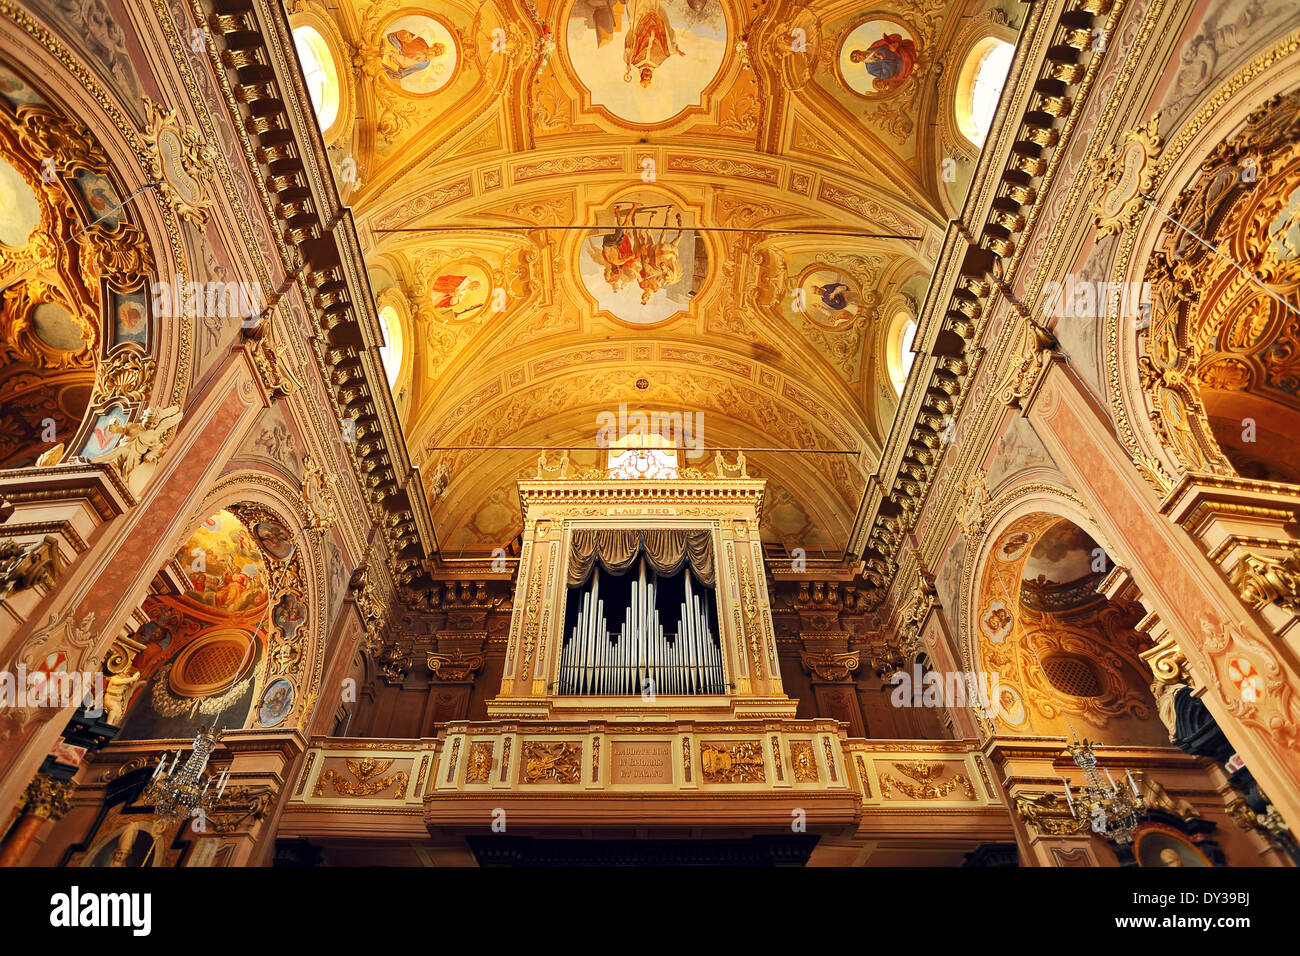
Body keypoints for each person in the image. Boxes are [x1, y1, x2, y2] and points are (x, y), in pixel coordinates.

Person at [624, 1, 686, 88]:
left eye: (644, 78)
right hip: (654, 24)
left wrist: (627, 62)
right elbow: (666, 51)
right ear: (651, 77)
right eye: (648, 79)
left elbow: (628, 48)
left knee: (638, 8)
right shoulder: (657, 63)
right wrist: (676, 50)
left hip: (640, 23)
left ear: (641, 76)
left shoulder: (635, 61)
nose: (646, 77)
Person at [849, 32, 917, 94]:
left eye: (860, 53)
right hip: (900, 66)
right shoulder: (870, 69)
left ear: (860, 50)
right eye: (859, 58)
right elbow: (887, 75)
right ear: (860, 61)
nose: (862, 55)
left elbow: (892, 38)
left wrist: (895, 44)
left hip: (902, 50)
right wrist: (883, 59)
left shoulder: (873, 46)